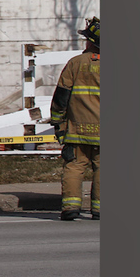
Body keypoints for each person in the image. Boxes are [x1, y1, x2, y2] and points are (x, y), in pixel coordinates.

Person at [49, 16, 100, 221]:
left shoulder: (75, 63)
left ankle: (71, 207)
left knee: (74, 166)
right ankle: (99, 209)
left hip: (77, 129)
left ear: (91, 42)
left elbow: (61, 97)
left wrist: (57, 122)